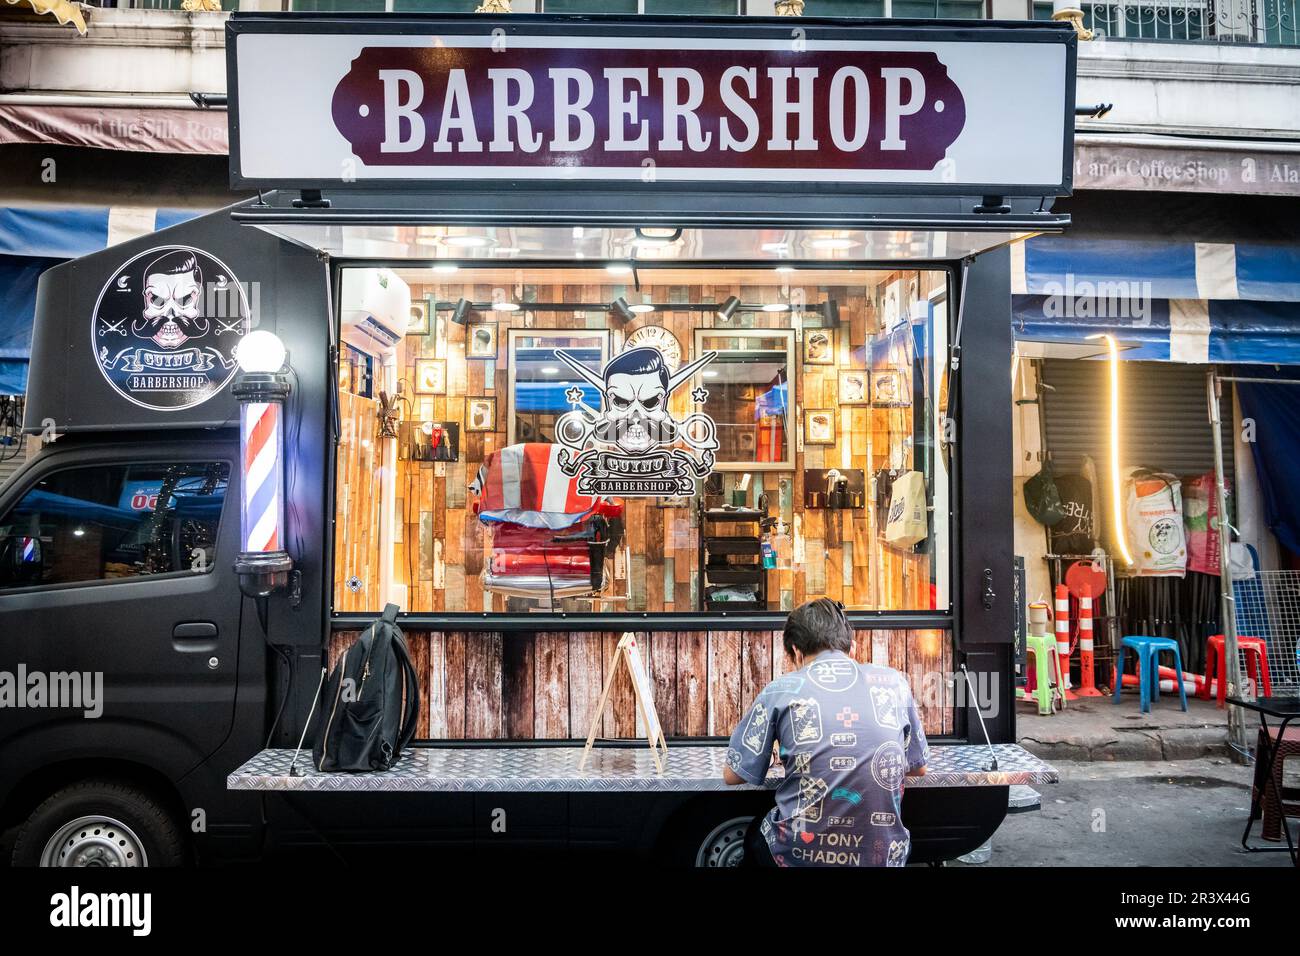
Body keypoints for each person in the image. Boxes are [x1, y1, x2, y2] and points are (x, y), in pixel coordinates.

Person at [723, 598, 929, 867]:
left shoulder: (780, 690)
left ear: (796, 652)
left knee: (755, 834)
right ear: (852, 649)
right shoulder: (893, 684)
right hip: (882, 856)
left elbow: (733, 775)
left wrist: (777, 758)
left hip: (799, 855)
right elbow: (917, 768)